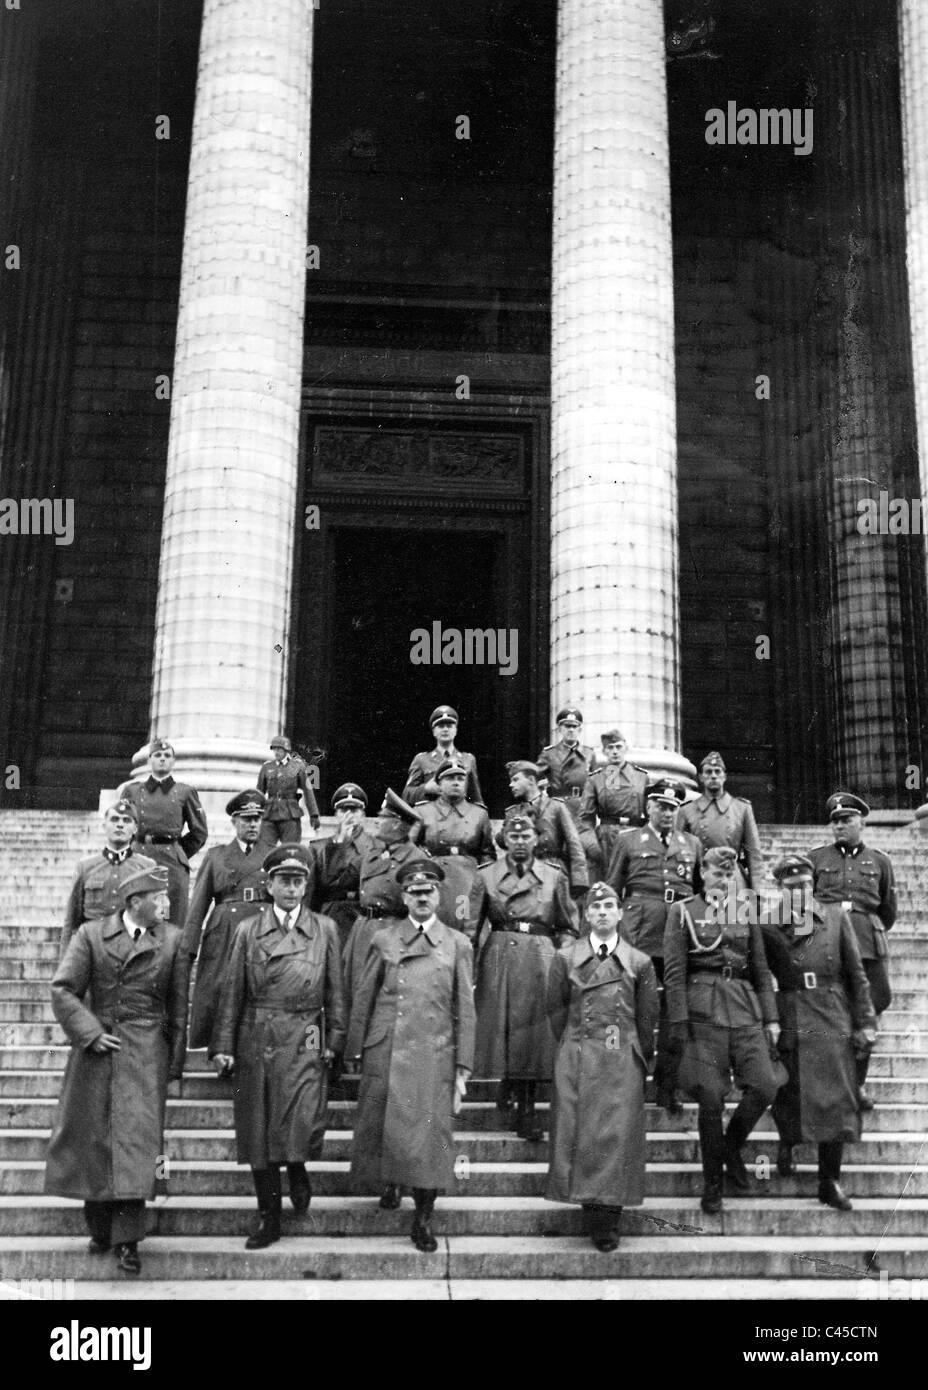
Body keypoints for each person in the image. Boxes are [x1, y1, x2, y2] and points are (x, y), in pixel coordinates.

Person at [44, 864, 188, 1275]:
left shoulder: (173, 940)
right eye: (158, 898)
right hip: (98, 1050)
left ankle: (129, 1240)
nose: (166, 904)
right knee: (95, 1138)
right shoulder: (90, 935)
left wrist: (173, 1063)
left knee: (139, 1147)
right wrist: (89, 1032)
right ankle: (100, 1228)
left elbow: (178, 1010)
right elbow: (63, 988)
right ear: (135, 901)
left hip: (146, 1053)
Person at [211, 844, 345, 1250]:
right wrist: (224, 1045)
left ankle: (298, 1166)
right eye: (283, 881)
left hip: (306, 1032)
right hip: (259, 1035)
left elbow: (335, 990)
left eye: (298, 880)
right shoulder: (247, 931)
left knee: (301, 1116)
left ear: (307, 885)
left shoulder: (325, 929)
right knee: (258, 1129)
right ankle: (268, 1215)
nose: (291, 888)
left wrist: (335, 1039)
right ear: (268, 885)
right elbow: (232, 990)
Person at [347, 859, 475, 1253]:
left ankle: (422, 1216)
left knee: (429, 1137)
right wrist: (354, 1046)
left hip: (434, 1050)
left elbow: (465, 1007)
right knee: (386, 1122)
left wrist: (463, 1067)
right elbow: (365, 995)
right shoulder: (384, 939)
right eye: (415, 893)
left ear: (439, 897)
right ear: (404, 898)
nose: (422, 898)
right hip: (387, 1045)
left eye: (429, 892)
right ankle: (389, 1181)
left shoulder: (457, 943)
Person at [663, 846, 783, 1214]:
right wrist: (680, 1021)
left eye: (729, 875)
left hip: (744, 1007)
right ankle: (713, 1181)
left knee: (765, 1084)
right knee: (712, 1098)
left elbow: (761, 970)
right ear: (702, 873)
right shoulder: (682, 911)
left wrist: (772, 1018)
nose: (723, 880)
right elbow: (674, 972)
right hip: (703, 1011)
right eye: (717, 874)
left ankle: (731, 1145)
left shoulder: (745, 912)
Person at [546, 882, 659, 1252]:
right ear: (586, 916)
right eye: (595, 908)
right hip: (579, 1054)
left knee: (616, 1137)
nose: (603, 913)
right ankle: (590, 1208)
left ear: (620, 912)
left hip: (621, 1060)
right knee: (581, 1134)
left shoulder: (639, 962)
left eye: (610, 906)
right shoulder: (565, 958)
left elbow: (646, 1019)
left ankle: (608, 1219)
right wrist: (573, 1044)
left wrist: (638, 1057)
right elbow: (555, 1012)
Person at [767, 854, 877, 1211]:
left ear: (813, 884)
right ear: (779, 888)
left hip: (831, 1011)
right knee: (788, 1090)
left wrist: (866, 1021)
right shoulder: (768, 923)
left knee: (836, 1099)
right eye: (790, 886)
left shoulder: (834, 917)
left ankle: (828, 1180)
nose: (798, 890)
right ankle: (787, 1143)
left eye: (804, 884)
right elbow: (758, 974)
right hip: (789, 1010)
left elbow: (857, 973)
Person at [472, 809, 579, 1140]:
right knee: (506, 1029)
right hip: (501, 955)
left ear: (537, 839)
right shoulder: (485, 875)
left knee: (534, 1038)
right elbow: (469, 924)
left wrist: (564, 959)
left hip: (540, 957)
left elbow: (569, 926)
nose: (519, 842)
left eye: (526, 836)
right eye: (513, 836)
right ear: (504, 840)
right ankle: (509, 1082)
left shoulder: (554, 876)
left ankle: (528, 1112)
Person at [605, 778, 701, 1112]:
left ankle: (666, 1085)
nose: (667, 813)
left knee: (675, 1016)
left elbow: (700, 893)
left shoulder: (691, 844)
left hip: (677, 938)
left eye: (673, 808)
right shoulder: (628, 841)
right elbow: (611, 889)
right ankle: (630, 1082)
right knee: (636, 1014)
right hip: (639, 936)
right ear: (648, 807)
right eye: (661, 806)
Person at [809, 792, 895, 1110]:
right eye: (835, 821)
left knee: (868, 1012)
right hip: (829, 946)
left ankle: (856, 1085)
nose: (839, 827)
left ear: (862, 822)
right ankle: (833, 1085)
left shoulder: (880, 861)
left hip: (867, 948)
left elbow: (887, 910)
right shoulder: (816, 859)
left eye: (846, 820)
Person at [181, 789, 270, 1051]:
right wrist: (188, 947)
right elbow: (198, 905)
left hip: (261, 925)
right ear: (234, 822)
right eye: (246, 819)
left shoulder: (274, 854)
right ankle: (217, 1044)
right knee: (217, 984)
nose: (252, 824)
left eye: (257, 819)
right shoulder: (216, 855)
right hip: (225, 926)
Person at [341, 789, 427, 1044]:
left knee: (384, 995)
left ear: (399, 825)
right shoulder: (372, 852)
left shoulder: (416, 858)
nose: (376, 822)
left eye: (383, 818)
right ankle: (352, 1052)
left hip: (393, 930)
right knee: (354, 991)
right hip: (363, 930)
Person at [117, 736, 208, 931]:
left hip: (171, 862)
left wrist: (177, 852)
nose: (162, 759)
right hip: (139, 855)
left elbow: (199, 832)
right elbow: (122, 825)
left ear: (173, 762)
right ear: (149, 760)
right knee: (136, 911)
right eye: (157, 755)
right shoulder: (132, 791)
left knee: (169, 918)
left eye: (167, 755)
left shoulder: (185, 792)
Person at [409, 757, 496, 938]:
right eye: (450, 778)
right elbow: (409, 848)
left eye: (460, 778)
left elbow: (487, 854)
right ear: (439, 784)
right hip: (433, 880)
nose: (456, 782)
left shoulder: (479, 814)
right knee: (430, 932)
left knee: (464, 933)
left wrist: (482, 882)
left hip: (466, 883)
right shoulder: (424, 811)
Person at [59, 799, 157, 958]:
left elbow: (158, 919)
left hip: (133, 955)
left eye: (126, 820)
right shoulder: (85, 868)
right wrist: (65, 967)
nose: (120, 825)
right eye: (114, 819)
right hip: (94, 954)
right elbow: (71, 921)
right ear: (104, 826)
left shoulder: (147, 867)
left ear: (135, 829)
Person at [498, 759, 589, 898]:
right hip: (522, 872)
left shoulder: (556, 807)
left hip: (551, 869)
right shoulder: (513, 812)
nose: (511, 785)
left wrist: (579, 881)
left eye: (516, 780)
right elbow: (501, 841)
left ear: (530, 780)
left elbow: (573, 843)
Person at [676, 751, 764, 889]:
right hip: (701, 879)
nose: (713, 776)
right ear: (701, 777)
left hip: (733, 879)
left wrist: (758, 893)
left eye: (718, 771)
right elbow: (678, 853)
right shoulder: (687, 811)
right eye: (708, 772)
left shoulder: (741, 809)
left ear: (725, 777)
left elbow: (754, 854)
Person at [310, 783, 375, 952]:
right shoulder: (318, 848)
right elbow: (316, 890)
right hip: (331, 918)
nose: (349, 815)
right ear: (336, 815)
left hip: (362, 917)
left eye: (354, 810)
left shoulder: (376, 847)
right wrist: (341, 844)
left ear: (363, 815)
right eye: (343, 810)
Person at [577, 729, 649, 876]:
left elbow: (651, 813)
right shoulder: (596, 779)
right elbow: (585, 819)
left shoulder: (641, 777)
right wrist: (592, 846)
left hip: (635, 835)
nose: (615, 751)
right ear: (604, 751)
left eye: (618, 747)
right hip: (607, 839)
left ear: (625, 748)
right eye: (610, 748)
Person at [402, 704, 483, 806]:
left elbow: (475, 798)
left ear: (456, 730)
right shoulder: (421, 760)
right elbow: (406, 794)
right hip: (431, 817)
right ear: (434, 732)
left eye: (449, 726)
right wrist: (426, 788)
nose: (445, 729)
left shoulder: (468, 759)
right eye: (440, 726)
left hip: (459, 817)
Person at [536, 706, 597, 824]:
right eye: (567, 726)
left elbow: (595, 784)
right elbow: (534, 780)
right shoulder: (549, 754)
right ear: (559, 729)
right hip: (558, 808)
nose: (571, 730)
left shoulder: (589, 754)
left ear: (580, 729)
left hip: (583, 810)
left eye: (574, 726)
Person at [257, 736, 321, 847]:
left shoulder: (297, 766)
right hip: (270, 814)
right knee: (264, 849)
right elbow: (259, 793)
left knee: (291, 850)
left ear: (286, 750)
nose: (276, 752)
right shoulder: (267, 767)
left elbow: (308, 791)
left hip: (290, 814)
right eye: (274, 749)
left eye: (279, 749)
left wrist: (314, 814)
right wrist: (254, 812)